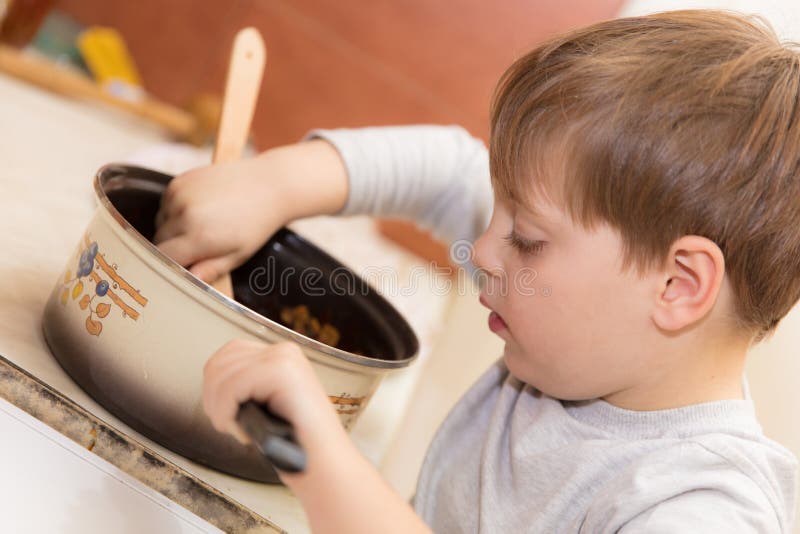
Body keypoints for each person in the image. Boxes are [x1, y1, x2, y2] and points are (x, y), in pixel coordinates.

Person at [155, 10, 799, 533]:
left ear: (679, 286)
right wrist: (275, 181)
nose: (484, 252)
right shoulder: (594, 344)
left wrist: (313, 455)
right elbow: (450, 170)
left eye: (526, 237)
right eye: (498, 214)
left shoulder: (699, 507)